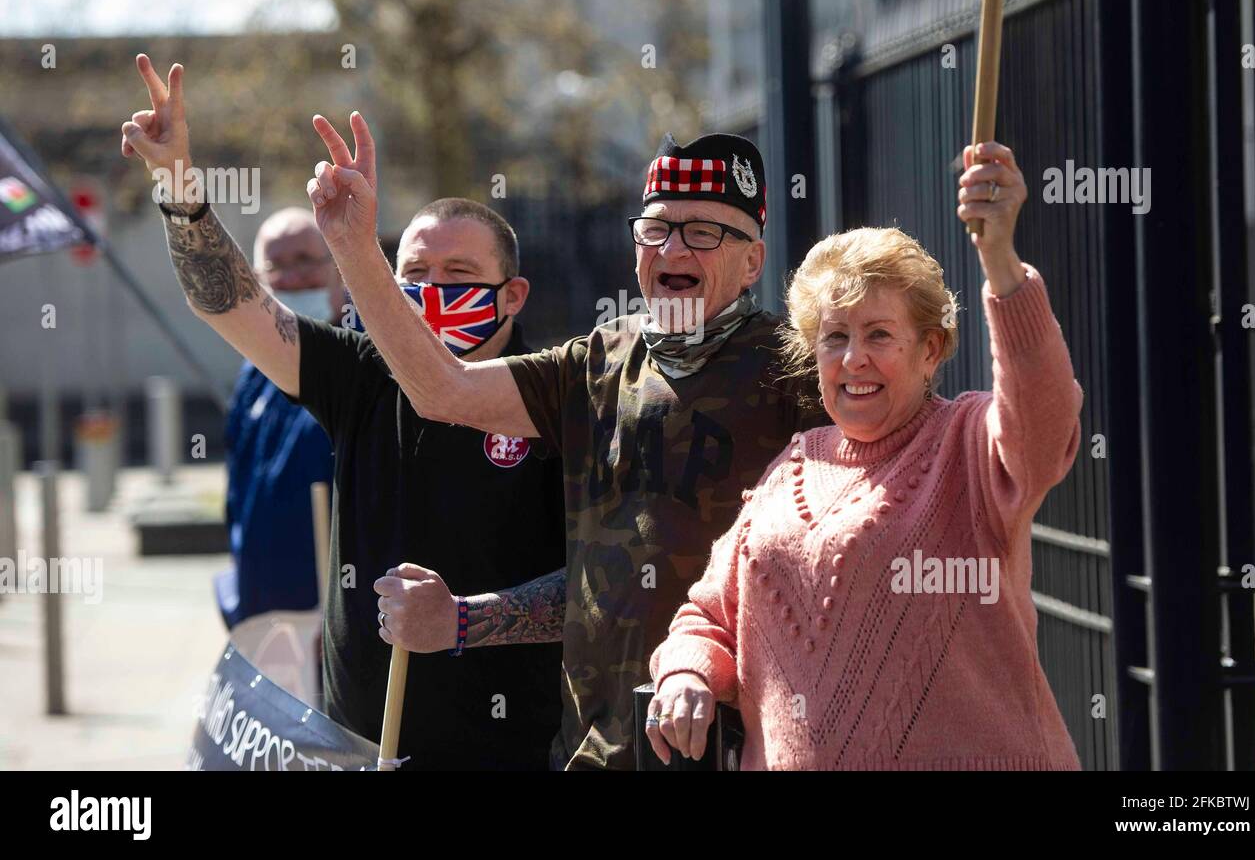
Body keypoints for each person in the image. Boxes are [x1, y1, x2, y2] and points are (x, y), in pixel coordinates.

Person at [307, 119, 825, 769]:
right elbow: (441, 389)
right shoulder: (599, 362)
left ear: (752, 260)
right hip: (595, 746)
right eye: (656, 229)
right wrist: (355, 248)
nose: (673, 250)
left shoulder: (798, 370)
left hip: (741, 741)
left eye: (704, 233)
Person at [120, 55, 564, 769]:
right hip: (353, 745)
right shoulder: (363, 371)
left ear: (513, 296)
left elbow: (601, 584)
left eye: (460, 276)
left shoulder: (557, 392)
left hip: (509, 750)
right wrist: (177, 184)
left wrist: (463, 621)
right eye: (414, 275)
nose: (431, 292)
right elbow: (231, 303)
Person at [647, 141, 1084, 770]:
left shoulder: (969, 443)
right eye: (835, 337)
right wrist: (686, 675)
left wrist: (1000, 260)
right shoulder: (790, 468)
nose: (854, 359)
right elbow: (707, 616)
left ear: (930, 350)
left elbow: (1044, 421)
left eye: (879, 334)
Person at [216, 207, 340, 629]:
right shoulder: (255, 370)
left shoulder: (364, 362)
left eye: (305, 260)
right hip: (259, 611)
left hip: (331, 615)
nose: (292, 278)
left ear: (338, 264)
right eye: (276, 266)